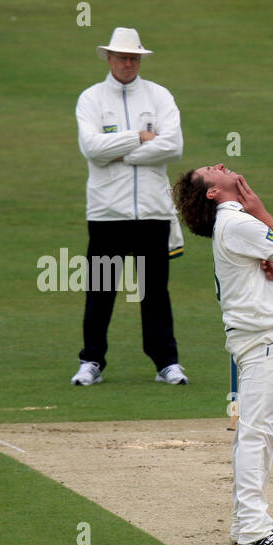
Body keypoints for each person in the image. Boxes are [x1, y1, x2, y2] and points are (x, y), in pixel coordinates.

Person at [173, 164, 273, 545]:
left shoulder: (231, 226)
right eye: (211, 170)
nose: (220, 165)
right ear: (213, 192)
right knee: (256, 433)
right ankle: (252, 532)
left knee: (261, 432)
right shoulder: (238, 221)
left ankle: (247, 520)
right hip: (261, 338)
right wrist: (261, 211)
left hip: (261, 336)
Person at [72, 26, 187, 387]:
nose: (128, 63)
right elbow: (91, 149)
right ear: (109, 58)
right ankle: (91, 360)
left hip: (153, 210)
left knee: (155, 291)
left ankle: (166, 362)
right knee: (101, 290)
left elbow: (174, 146)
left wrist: (118, 151)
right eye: (122, 57)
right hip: (107, 213)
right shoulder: (91, 98)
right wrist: (138, 136)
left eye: (134, 57)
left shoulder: (159, 96)